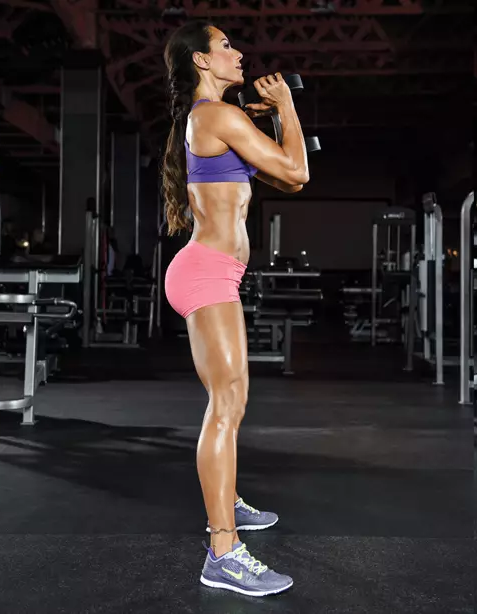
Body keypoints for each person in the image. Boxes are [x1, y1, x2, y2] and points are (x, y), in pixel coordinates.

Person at [160, 20, 310, 597]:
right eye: (226, 45)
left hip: (216, 270)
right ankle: (222, 553)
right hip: (204, 273)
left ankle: (229, 503)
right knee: (224, 405)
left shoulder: (215, 118)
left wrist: (275, 118)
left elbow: (291, 183)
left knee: (234, 402)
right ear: (201, 61)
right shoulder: (217, 115)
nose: (239, 52)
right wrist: (287, 104)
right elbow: (298, 169)